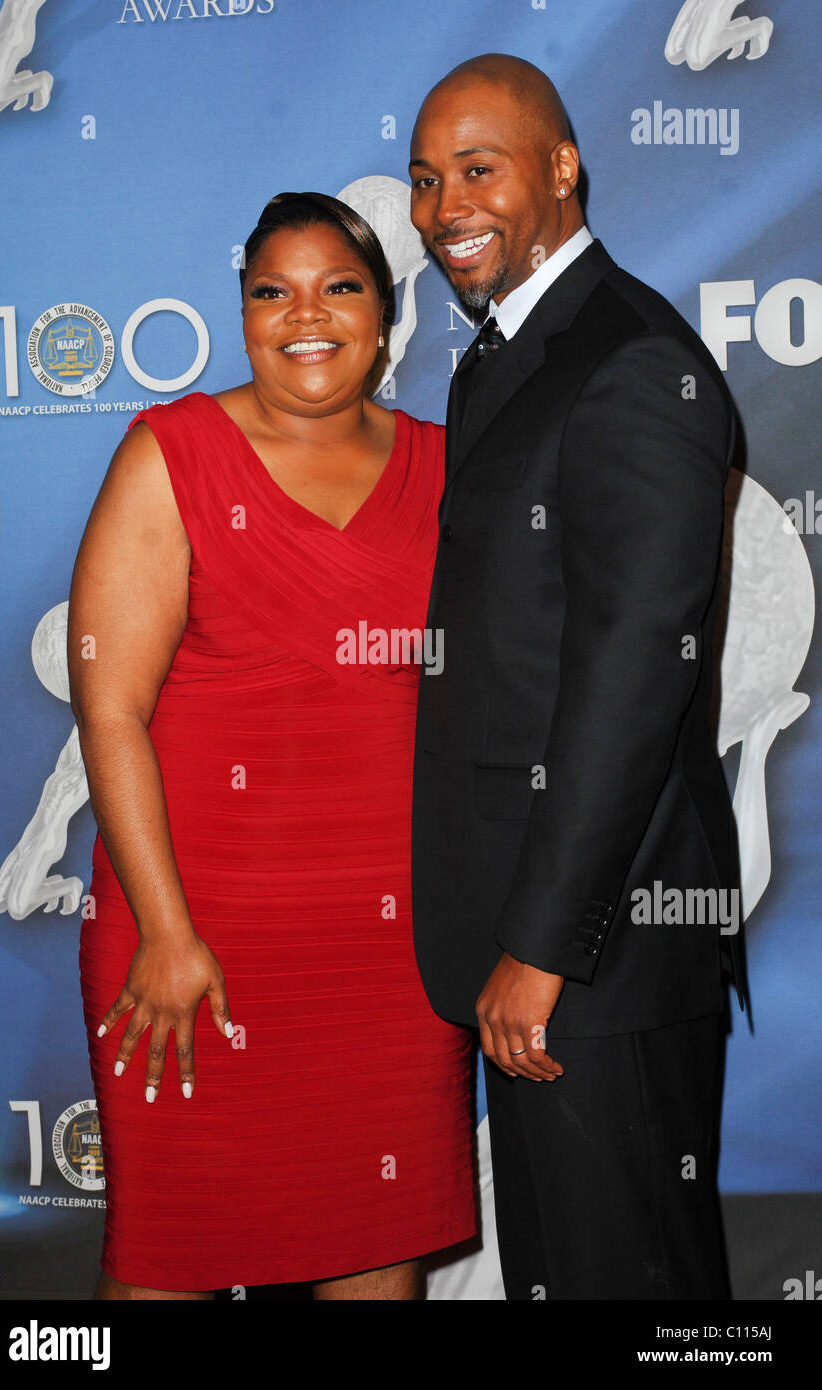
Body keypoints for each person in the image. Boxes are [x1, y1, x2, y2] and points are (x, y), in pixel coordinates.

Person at [69, 191, 475, 1301]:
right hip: (192, 938)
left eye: (338, 287)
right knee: (172, 1260)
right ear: (242, 313)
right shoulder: (172, 453)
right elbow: (109, 710)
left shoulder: (451, 469)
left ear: (384, 315)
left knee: (371, 1263)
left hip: (388, 957)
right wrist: (164, 931)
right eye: (271, 292)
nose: (306, 315)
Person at [408, 54, 746, 1300]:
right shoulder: (509, 351)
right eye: (425, 179)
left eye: (478, 170)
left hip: (595, 956)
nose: (446, 206)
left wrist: (543, 947)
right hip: (543, 944)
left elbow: (628, 682)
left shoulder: (628, 362)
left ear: (562, 170)